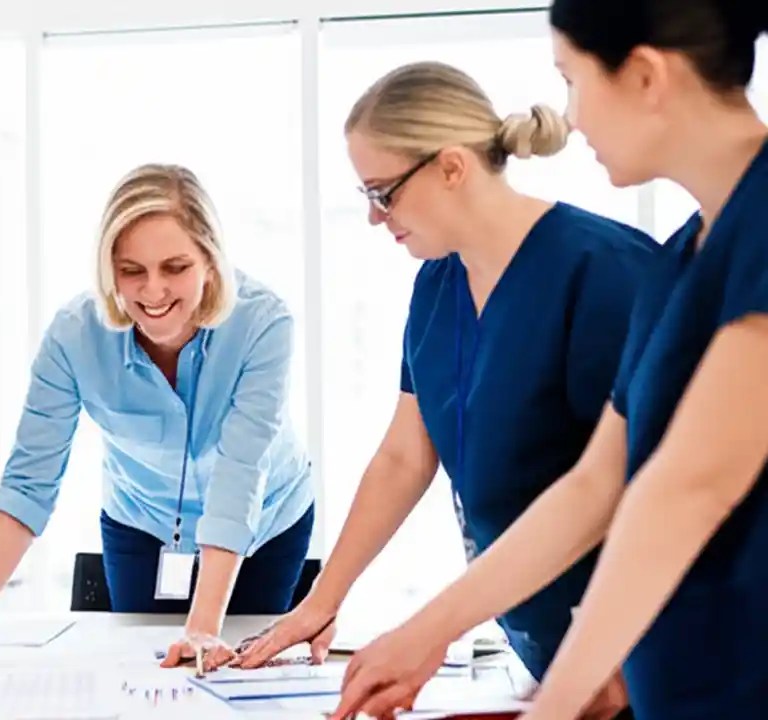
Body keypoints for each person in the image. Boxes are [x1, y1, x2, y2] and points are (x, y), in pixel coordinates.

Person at [330, 2, 768, 719]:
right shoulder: (683, 259)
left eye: (572, 80)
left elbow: (686, 491)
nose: (571, 118)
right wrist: (428, 632)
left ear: (647, 77)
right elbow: (597, 484)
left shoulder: (743, 236)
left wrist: (555, 703)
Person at [231, 62, 654, 718]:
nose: (375, 218)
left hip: (640, 649)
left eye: (384, 193)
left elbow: (621, 491)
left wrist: (429, 631)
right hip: (541, 639)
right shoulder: (437, 286)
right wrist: (322, 601)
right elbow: (406, 456)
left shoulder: (602, 274)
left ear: (452, 167)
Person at [0, 164, 315, 670]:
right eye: (132, 270)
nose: (153, 291)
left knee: (231, 673)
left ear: (210, 261)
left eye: (176, 267)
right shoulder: (74, 336)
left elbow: (239, 476)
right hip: (141, 518)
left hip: (263, 523)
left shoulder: (263, 323)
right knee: (147, 674)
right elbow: (27, 487)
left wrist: (203, 631)